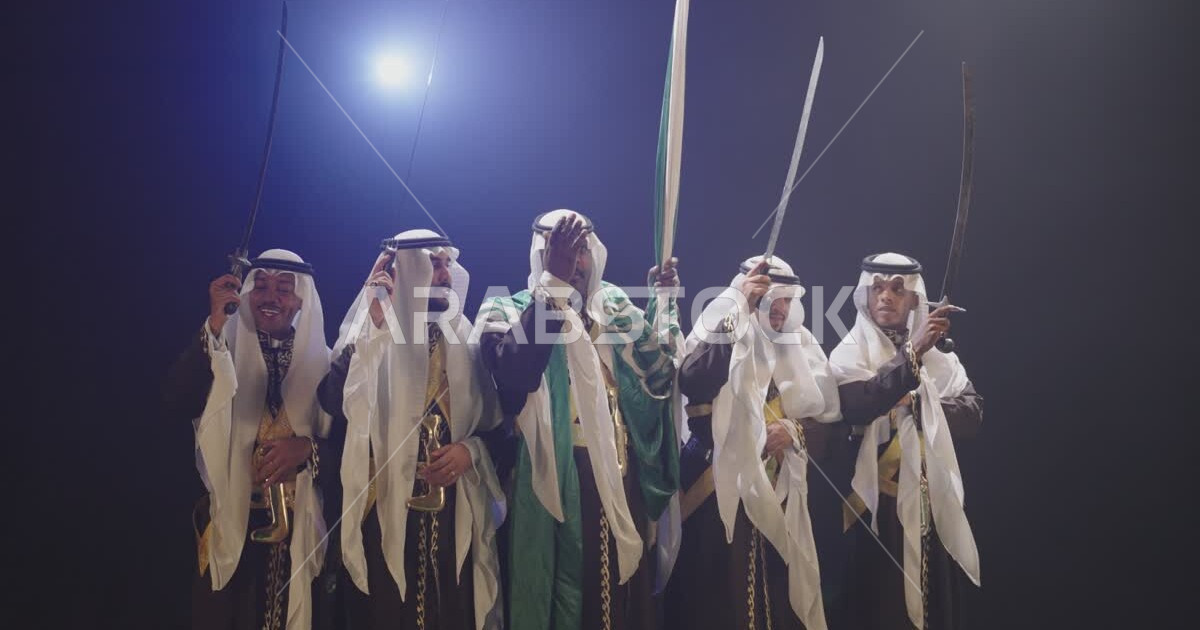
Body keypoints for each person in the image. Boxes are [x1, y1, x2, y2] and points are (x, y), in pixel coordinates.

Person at [475, 209, 681, 630]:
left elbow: (662, 371)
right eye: (564, 251)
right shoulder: (505, 309)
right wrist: (552, 290)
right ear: (542, 255)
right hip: (545, 484)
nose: (577, 262)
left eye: (582, 250)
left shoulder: (616, 313)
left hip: (617, 481)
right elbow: (514, 377)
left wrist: (665, 300)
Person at [319, 230, 505, 630]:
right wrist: (370, 330)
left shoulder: (466, 338)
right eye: (431, 264)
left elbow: (496, 428)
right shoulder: (374, 331)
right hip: (382, 504)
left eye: (445, 264)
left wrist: (470, 451)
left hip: (454, 508)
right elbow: (333, 404)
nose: (442, 274)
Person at [666, 255, 840, 630]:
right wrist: (739, 313)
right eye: (770, 298)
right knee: (716, 597)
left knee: (775, 595)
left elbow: (826, 428)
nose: (779, 309)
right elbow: (694, 381)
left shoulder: (801, 345)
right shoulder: (719, 326)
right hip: (714, 487)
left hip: (780, 488)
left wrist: (794, 431)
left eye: (786, 300)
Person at [164, 250, 332, 630]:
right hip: (230, 525)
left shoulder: (324, 362)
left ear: (302, 299)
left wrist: (307, 450)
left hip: (299, 532)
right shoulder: (221, 349)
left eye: (284, 288)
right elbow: (176, 399)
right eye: (261, 285)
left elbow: (354, 450)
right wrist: (213, 328)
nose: (271, 297)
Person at [830, 252, 983, 629]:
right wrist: (912, 354)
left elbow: (972, 414)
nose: (886, 296)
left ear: (915, 299)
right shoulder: (849, 352)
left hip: (932, 504)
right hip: (877, 510)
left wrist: (916, 403)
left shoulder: (943, 360)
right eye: (878, 288)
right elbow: (859, 403)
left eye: (898, 290)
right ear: (864, 296)